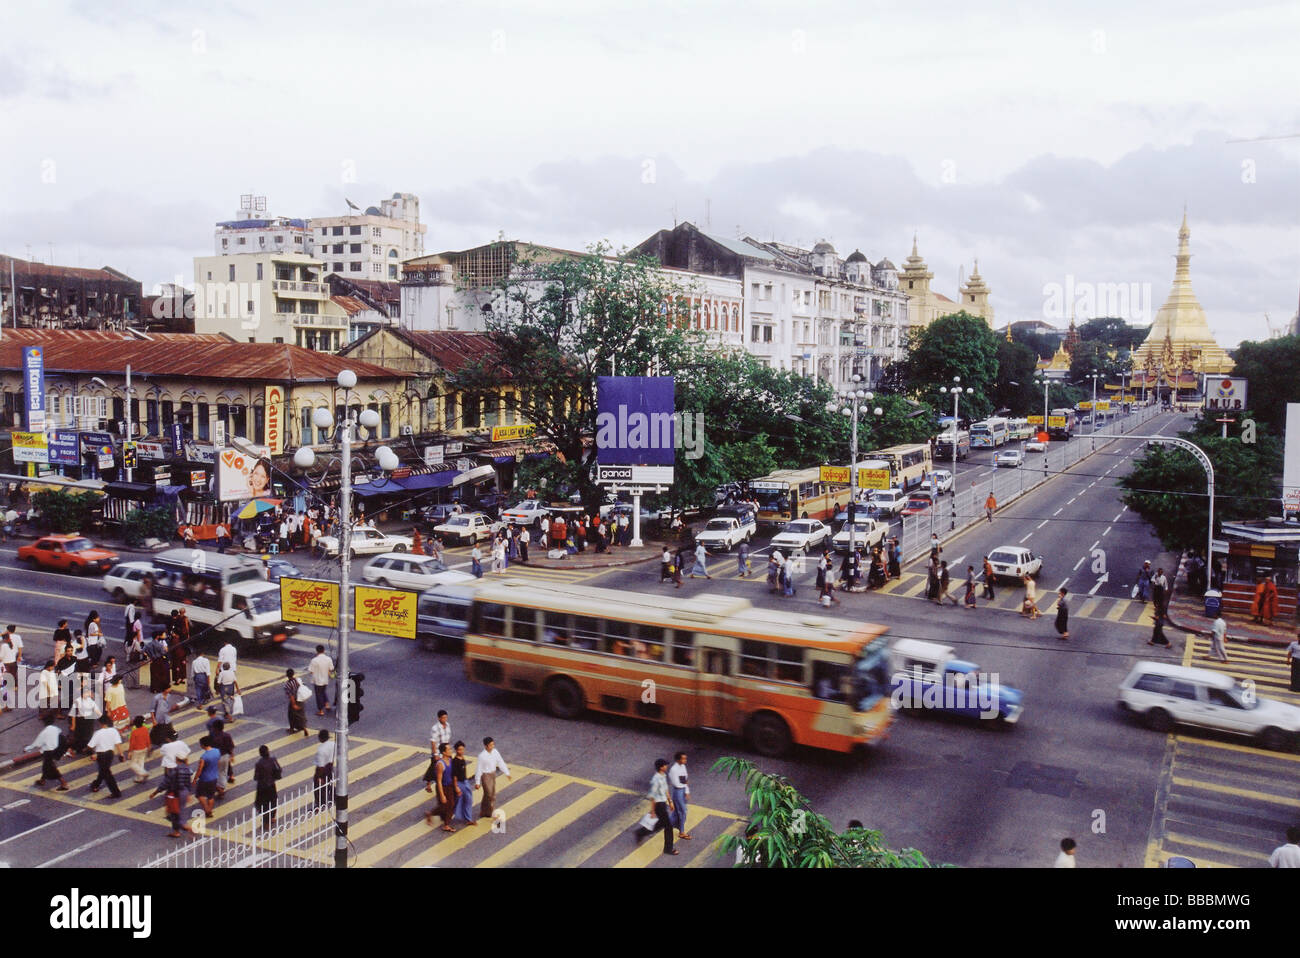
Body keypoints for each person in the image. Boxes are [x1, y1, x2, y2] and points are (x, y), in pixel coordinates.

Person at [634, 758, 678, 856]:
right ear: (661, 767)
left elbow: (666, 789)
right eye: (665, 765)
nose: (667, 766)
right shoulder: (656, 780)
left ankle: (641, 833)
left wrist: (670, 801)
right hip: (659, 806)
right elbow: (653, 797)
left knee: (661, 824)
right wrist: (653, 811)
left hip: (663, 803)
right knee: (668, 827)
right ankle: (668, 849)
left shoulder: (663, 776)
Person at [27, 716, 70, 791]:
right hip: (61, 745)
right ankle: (42, 780)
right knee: (46, 764)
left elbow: (38, 742)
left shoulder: (45, 731)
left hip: (52, 749)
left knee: (50, 765)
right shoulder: (55, 728)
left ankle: (64, 783)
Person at [475, 736, 511, 821]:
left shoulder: (495, 752)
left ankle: (484, 811)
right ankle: (491, 812)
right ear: (486, 746)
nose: (492, 746)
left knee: (490, 794)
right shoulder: (482, 756)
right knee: (489, 794)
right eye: (490, 745)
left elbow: (500, 762)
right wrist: (477, 782)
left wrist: (507, 773)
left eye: (493, 744)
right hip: (485, 776)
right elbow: (479, 769)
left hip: (492, 774)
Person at [425, 742, 455, 831]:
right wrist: (442, 795)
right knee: (447, 805)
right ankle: (445, 824)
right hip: (443, 787)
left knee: (449, 805)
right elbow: (438, 781)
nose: (451, 750)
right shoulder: (440, 764)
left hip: (450, 786)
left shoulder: (450, 761)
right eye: (449, 749)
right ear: (444, 752)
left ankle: (432, 815)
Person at [253, 744, 281, 831]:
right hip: (271, 784)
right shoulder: (273, 760)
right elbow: (279, 769)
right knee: (273, 801)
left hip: (262, 786)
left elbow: (256, 777)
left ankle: (266, 822)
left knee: (262, 803)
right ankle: (272, 817)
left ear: (260, 754)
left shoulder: (259, 764)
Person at [424, 709, 452, 791]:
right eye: (443, 718)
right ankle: (428, 784)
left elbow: (448, 737)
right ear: (439, 718)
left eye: (446, 717)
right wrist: (435, 754)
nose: (445, 719)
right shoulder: (435, 728)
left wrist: (449, 749)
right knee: (433, 768)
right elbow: (433, 741)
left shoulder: (448, 725)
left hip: (445, 750)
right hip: (438, 751)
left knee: (447, 765)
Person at [193, 735, 221, 816]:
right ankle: (210, 810)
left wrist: (195, 779)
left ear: (203, 745)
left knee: (199, 795)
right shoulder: (217, 751)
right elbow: (219, 763)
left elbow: (199, 770)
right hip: (214, 777)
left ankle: (207, 809)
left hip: (204, 779)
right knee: (210, 796)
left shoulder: (204, 757)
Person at [667, 752, 692, 841]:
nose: (685, 760)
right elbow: (677, 784)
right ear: (678, 760)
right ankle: (681, 832)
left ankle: (669, 824)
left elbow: (685, 779)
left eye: (685, 758)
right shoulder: (674, 770)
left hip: (682, 791)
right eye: (683, 759)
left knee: (678, 811)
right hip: (678, 792)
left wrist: (687, 791)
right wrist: (685, 785)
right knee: (682, 811)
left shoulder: (683, 767)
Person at [451, 741, 475, 827]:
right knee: (460, 801)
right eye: (459, 750)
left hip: (465, 781)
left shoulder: (462, 758)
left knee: (468, 800)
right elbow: (454, 776)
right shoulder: (455, 761)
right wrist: (456, 787)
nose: (461, 751)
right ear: (456, 750)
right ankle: (465, 818)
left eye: (462, 749)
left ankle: (468, 818)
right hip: (460, 783)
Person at [308, 644, 333, 716]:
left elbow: (311, 671)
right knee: (323, 691)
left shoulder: (314, 660)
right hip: (325, 679)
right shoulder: (328, 659)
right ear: (324, 650)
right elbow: (331, 669)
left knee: (319, 695)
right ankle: (327, 704)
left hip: (317, 680)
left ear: (317, 651)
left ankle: (321, 710)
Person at [313, 729, 335, 809]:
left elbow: (320, 767)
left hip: (322, 770)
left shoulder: (321, 750)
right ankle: (334, 797)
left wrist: (319, 777)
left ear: (320, 738)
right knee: (329, 783)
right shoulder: (332, 744)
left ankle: (320, 804)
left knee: (318, 788)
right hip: (330, 766)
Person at [284, 668, 309, 737]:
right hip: (301, 699)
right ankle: (304, 727)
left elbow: (291, 696)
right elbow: (303, 686)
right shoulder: (298, 680)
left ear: (287, 675)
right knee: (301, 714)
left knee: (291, 714)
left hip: (294, 700)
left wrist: (294, 704)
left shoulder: (287, 685)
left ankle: (292, 728)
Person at [126, 715, 151, 784]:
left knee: (132, 764)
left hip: (137, 750)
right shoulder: (145, 729)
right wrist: (149, 747)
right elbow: (148, 739)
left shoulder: (134, 732)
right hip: (144, 748)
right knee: (140, 763)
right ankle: (140, 778)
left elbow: (132, 743)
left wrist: (129, 752)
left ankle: (143, 773)